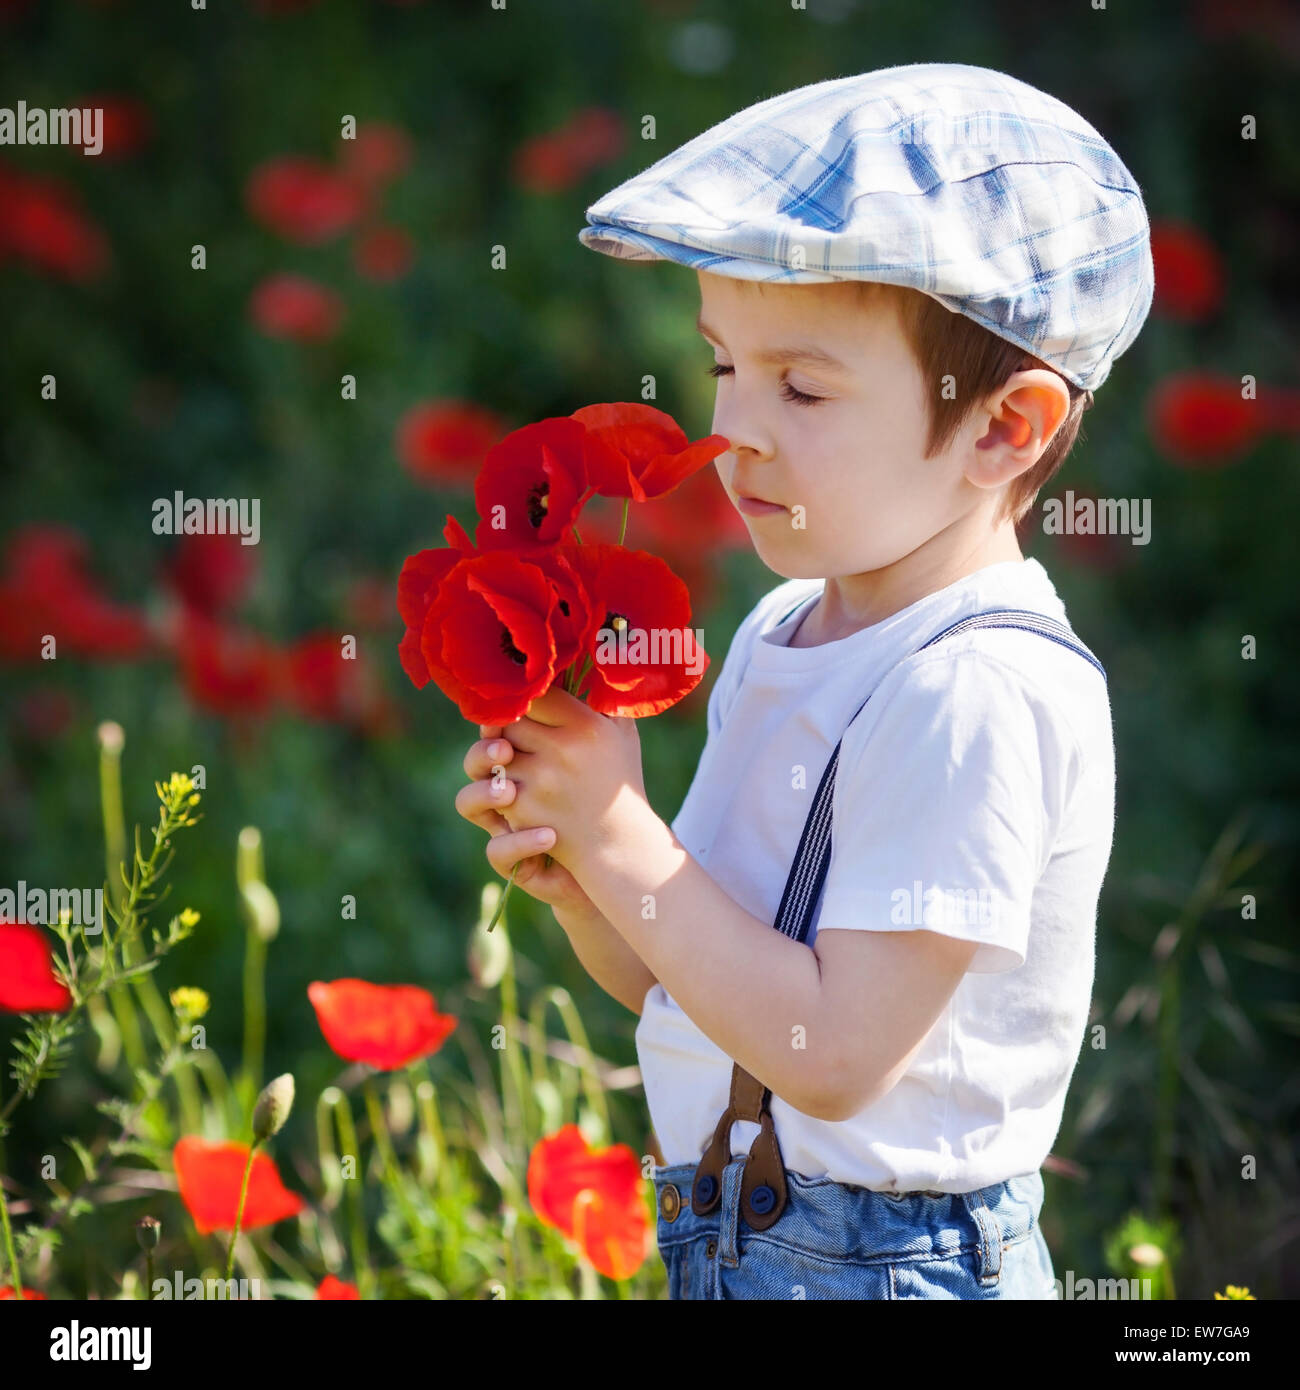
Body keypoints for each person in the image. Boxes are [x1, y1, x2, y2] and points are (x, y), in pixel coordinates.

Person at [456, 62, 1152, 1299]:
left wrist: (629, 843)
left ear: (1003, 427)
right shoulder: (788, 629)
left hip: (887, 1264)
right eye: (724, 366)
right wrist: (585, 879)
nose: (737, 431)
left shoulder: (975, 686)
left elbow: (827, 1053)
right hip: (732, 1241)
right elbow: (695, 984)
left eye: (804, 386)